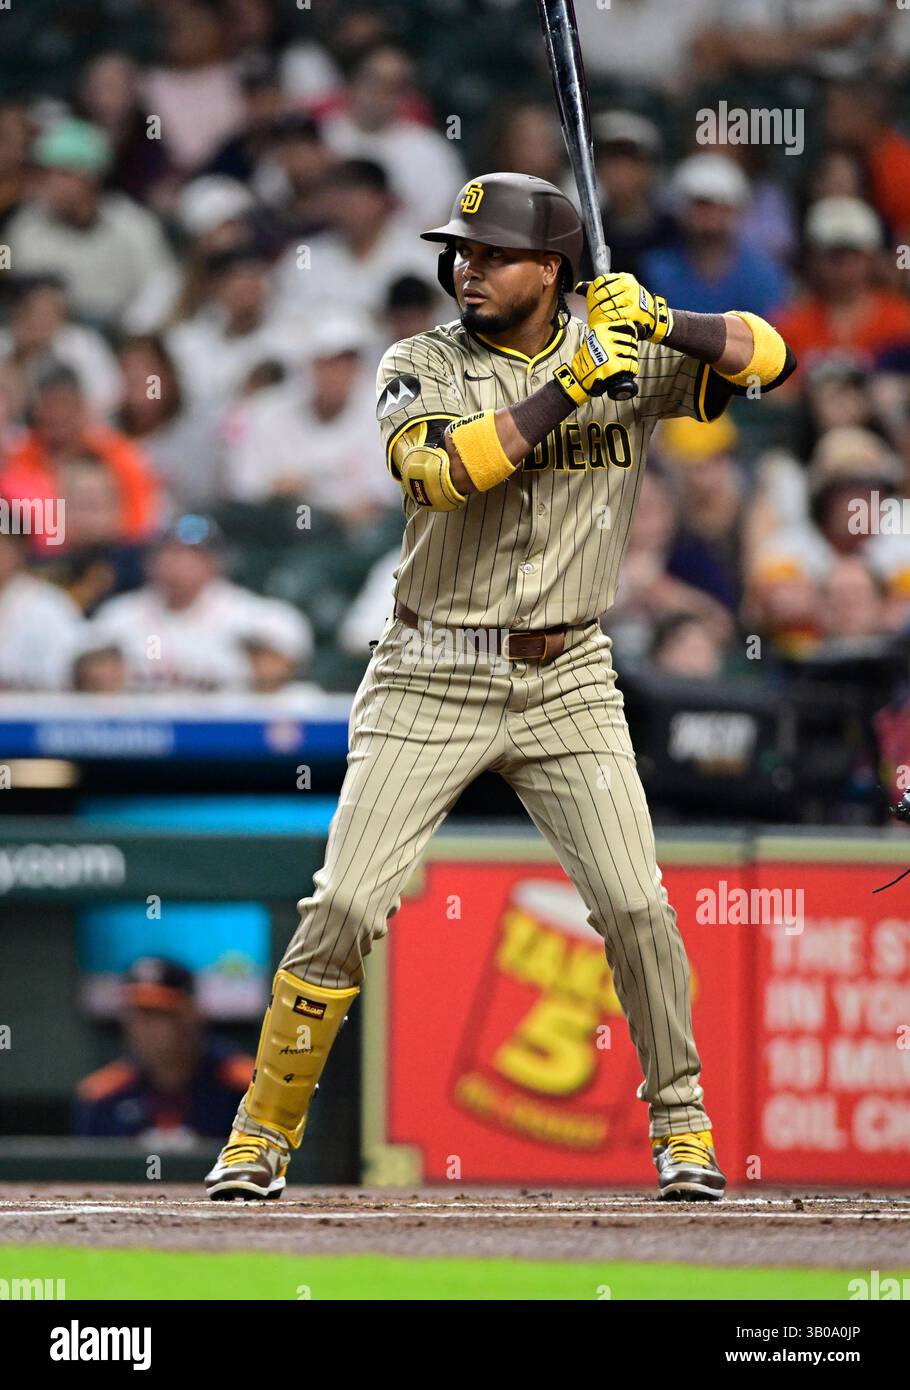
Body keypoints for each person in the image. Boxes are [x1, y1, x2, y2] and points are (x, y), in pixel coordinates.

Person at [204, 170, 797, 1203]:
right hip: (430, 669)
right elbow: (440, 473)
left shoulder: (627, 341)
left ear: (552, 269)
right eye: (460, 253)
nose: (465, 269)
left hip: (569, 673)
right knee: (344, 900)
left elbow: (773, 358)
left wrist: (665, 319)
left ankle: (684, 1125)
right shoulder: (419, 358)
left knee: (634, 905)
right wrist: (573, 382)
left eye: (489, 255)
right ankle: (263, 1130)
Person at [88, 513, 312, 692]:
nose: (178, 561)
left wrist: (262, 659)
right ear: (151, 561)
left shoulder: (249, 614)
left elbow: (291, 644)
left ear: (214, 562)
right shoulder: (120, 616)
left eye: (192, 553)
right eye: (170, 551)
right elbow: (83, 667)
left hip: (228, 737)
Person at [5, 118, 180, 332]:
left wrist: (130, 330)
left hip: (125, 335)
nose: (51, 183)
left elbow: (163, 283)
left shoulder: (134, 223)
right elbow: (20, 297)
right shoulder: (25, 229)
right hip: (56, 339)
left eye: (64, 173)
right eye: (45, 174)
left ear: (91, 177)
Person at [73, 958, 254, 1143]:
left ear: (191, 1016)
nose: (144, 1028)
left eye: (159, 1014)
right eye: (137, 1013)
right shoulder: (102, 1097)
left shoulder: (247, 1091)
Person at [641, 154, 789, 319]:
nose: (710, 217)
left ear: (736, 210)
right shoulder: (658, 270)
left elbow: (768, 337)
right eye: (700, 206)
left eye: (719, 207)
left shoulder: (762, 276)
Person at [774, 197, 910, 372]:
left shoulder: (900, 321)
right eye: (834, 255)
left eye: (853, 254)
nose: (844, 265)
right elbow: (778, 393)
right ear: (814, 259)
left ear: (871, 258)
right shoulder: (791, 324)